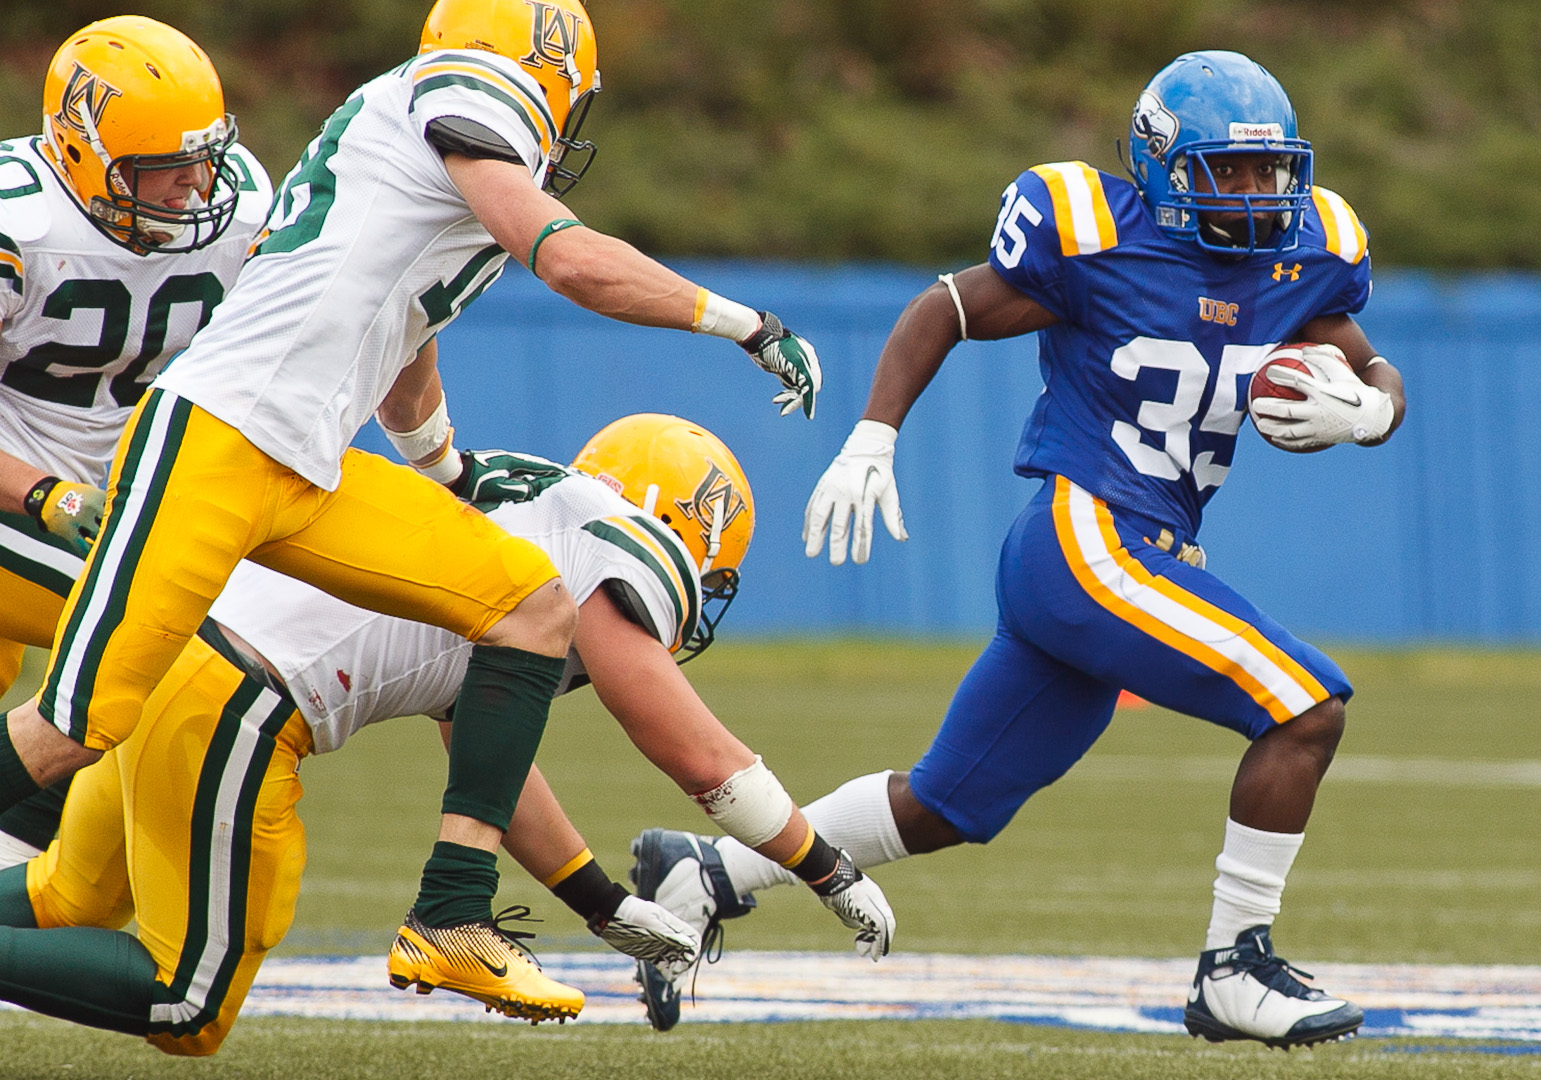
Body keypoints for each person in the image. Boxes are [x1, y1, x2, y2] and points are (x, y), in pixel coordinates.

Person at [0, 0, 825, 1023]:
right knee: (73, 735)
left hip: (304, 464)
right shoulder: (471, 99)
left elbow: (402, 328)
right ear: (548, 66)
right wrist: (745, 322)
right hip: (217, 441)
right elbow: (568, 260)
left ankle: (452, 918)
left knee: (527, 604)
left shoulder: (414, 138)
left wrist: (441, 473)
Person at [633, 51, 1406, 1049]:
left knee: (949, 803)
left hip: (1130, 551)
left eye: (1271, 172)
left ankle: (704, 875)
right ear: (1164, 164)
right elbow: (947, 308)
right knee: (1305, 708)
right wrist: (875, 435)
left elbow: (1366, 361)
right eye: (1231, 170)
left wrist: (1374, 407)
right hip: (1088, 538)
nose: (1259, 196)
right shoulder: (1098, 238)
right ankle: (1233, 967)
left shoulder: (1303, 256)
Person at [0, 415, 891, 1052]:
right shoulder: (615, 539)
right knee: (184, 1004)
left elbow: (483, 750)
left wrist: (598, 901)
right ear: (681, 524)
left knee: (66, 901)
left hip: (180, 650)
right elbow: (692, 749)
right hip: (238, 699)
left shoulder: (531, 510)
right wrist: (822, 863)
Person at [0, 15, 274, 867]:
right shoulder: (21, 223)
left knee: (144, 682)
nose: (195, 190)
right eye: (165, 170)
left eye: (204, 159)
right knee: (154, 653)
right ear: (81, 152)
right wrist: (43, 492)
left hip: (127, 499)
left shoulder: (243, 208)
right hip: (21, 492)